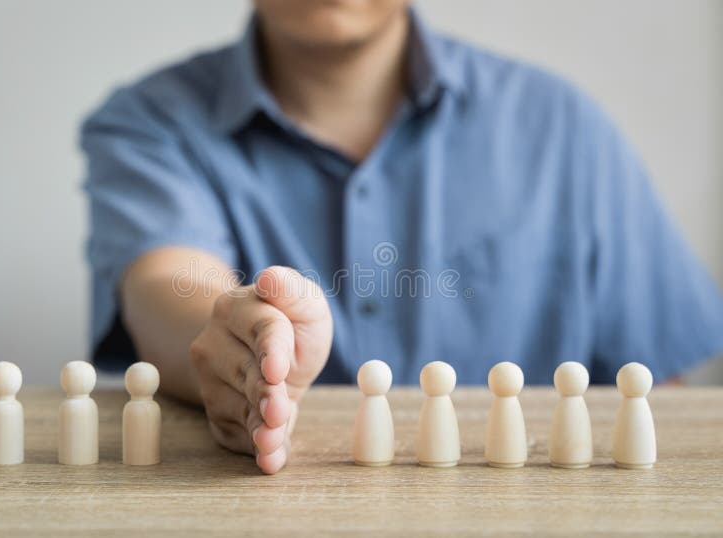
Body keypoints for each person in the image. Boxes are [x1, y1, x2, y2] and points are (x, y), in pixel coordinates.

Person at [81, 1, 723, 474]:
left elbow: (659, 395)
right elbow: (166, 282)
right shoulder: (148, 124)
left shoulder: (562, 128)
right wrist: (237, 344)